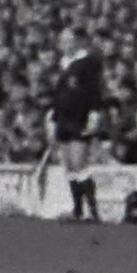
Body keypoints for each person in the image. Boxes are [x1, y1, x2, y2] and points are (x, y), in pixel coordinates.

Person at [47, 26, 108, 221]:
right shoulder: (63, 64)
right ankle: (77, 209)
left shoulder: (87, 63)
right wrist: (53, 116)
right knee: (69, 166)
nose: (64, 45)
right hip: (63, 118)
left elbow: (94, 91)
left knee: (79, 163)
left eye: (68, 40)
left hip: (79, 117)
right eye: (62, 41)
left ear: (77, 42)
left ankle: (93, 209)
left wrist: (94, 114)